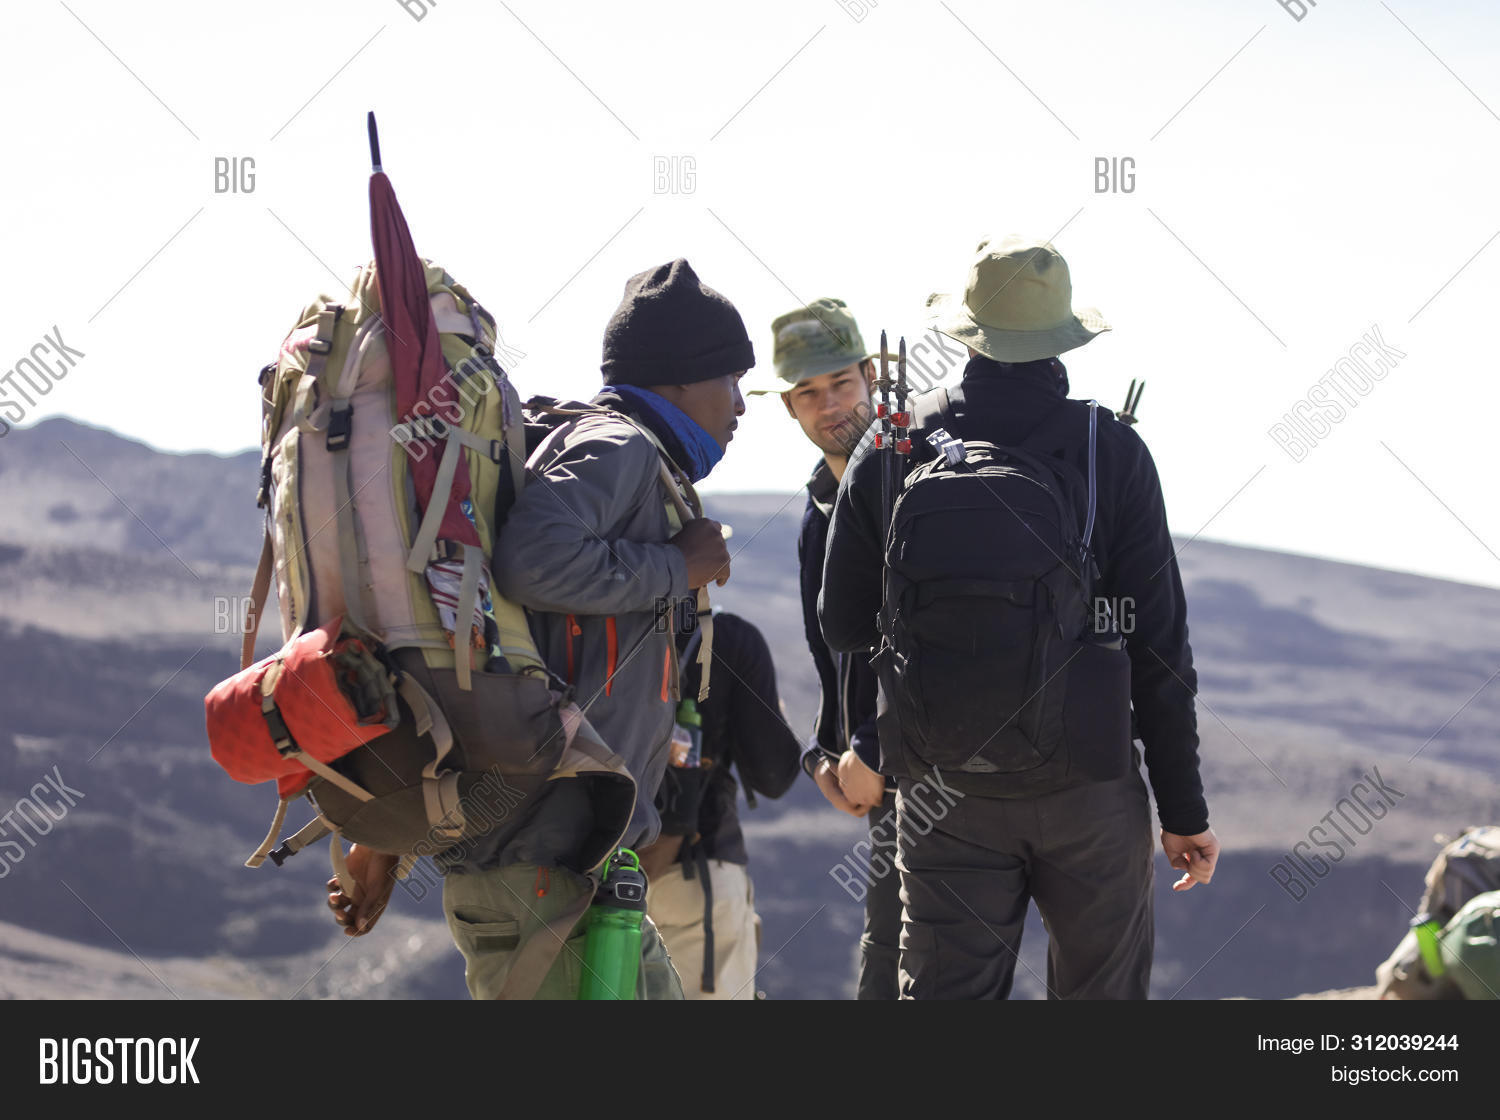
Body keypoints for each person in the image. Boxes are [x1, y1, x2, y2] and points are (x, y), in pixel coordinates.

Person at [327, 258, 751, 1000]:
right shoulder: (620, 449)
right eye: (730, 379)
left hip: (571, 870)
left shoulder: (598, 456)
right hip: (542, 875)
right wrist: (674, 568)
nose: (742, 404)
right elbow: (531, 563)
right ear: (679, 380)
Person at [820, 235, 1220, 1000]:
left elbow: (843, 621)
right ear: (1062, 336)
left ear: (966, 333)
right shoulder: (1111, 451)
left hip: (944, 788)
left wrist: (877, 736)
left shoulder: (894, 442)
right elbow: (1159, 647)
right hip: (1090, 790)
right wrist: (1184, 809)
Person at [746, 298, 901, 999]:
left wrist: (871, 745)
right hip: (887, 789)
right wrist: (825, 753)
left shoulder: (915, 483)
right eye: (808, 392)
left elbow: (933, 639)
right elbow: (837, 656)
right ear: (788, 406)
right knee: (886, 973)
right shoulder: (817, 510)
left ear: (872, 375)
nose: (829, 404)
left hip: (944, 776)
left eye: (841, 383)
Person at [637, 609, 802, 999]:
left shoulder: (593, 618)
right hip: (698, 874)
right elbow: (774, 776)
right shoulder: (729, 639)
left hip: (598, 872)